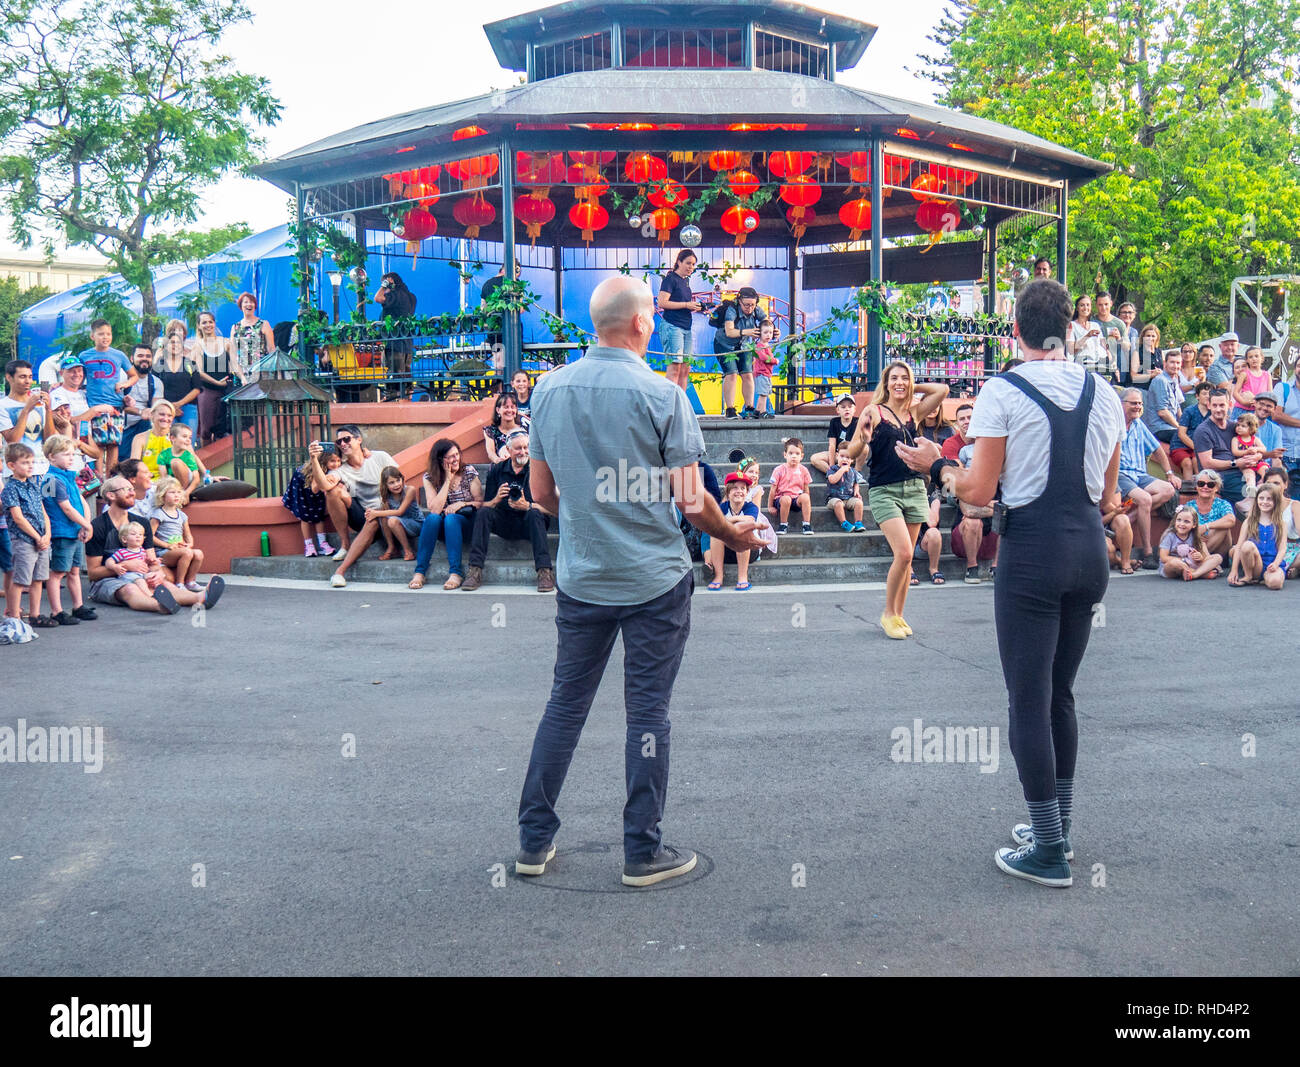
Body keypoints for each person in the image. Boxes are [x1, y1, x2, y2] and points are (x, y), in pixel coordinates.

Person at [515, 274, 765, 887]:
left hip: (582, 575)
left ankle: (532, 841)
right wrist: (732, 536)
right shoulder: (663, 395)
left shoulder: (547, 390)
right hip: (654, 577)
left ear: (595, 322)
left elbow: (541, 494)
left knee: (564, 707)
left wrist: (590, 512)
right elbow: (691, 500)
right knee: (647, 713)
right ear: (642, 323)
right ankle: (640, 851)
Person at [898, 278, 1125, 888]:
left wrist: (938, 465)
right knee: (1061, 696)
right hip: (1089, 552)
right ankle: (1059, 829)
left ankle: (1047, 851)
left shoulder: (1003, 390)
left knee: (1028, 698)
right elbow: (1109, 497)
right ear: (1071, 328)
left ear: (1016, 330)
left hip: (1032, 553)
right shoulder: (1104, 391)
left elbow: (977, 491)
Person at [844, 361, 948, 639]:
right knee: (902, 553)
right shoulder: (874, 411)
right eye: (894, 378)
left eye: (904, 379)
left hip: (915, 488)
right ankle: (888, 614)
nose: (899, 383)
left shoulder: (915, 411)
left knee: (908, 557)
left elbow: (942, 389)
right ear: (886, 383)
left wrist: (915, 384)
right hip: (884, 490)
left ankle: (899, 615)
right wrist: (864, 439)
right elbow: (851, 451)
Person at [85, 476, 224, 613]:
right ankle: (159, 606)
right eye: (126, 489)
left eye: (132, 489)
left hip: (140, 575)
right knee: (130, 589)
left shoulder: (142, 523)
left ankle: (200, 597)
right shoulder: (98, 526)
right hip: (109, 580)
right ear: (111, 495)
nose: (132, 492)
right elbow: (93, 573)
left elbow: (152, 560)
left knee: (163, 584)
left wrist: (157, 573)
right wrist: (125, 566)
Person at [461, 432, 554, 592]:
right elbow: (486, 504)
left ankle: (544, 571)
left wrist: (528, 506)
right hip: (504, 521)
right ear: (509, 450)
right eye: (518, 448)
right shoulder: (497, 471)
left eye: (526, 447)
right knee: (483, 513)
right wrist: (496, 499)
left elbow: (553, 509)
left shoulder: (538, 470)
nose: (523, 452)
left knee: (534, 513)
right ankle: (475, 570)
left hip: (529, 523)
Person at [1117, 389, 1178, 568]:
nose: (1138, 407)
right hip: (1121, 474)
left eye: (1140, 403)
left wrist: (1169, 473)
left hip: (1140, 475)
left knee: (1168, 490)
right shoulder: (1113, 423)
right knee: (1144, 499)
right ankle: (1148, 552)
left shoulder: (1139, 425)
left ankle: (1129, 519)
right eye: (1133, 403)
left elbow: (1157, 449)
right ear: (1122, 404)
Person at [410, 440, 481, 590]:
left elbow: (480, 502)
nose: (456, 459)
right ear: (440, 460)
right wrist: (448, 480)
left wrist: (461, 504)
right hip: (444, 526)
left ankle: (456, 572)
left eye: (457, 454)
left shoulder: (468, 472)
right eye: (450, 457)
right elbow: (435, 509)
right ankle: (419, 572)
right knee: (432, 518)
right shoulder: (429, 477)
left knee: (451, 518)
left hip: (466, 523)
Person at [40, 434, 96, 624]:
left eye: (72, 454)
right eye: (65, 454)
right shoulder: (50, 479)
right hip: (62, 531)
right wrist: (85, 524)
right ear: (51, 456)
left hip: (75, 530)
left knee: (74, 570)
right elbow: (64, 507)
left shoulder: (69, 477)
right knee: (57, 572)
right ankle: (57, 611)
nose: (71, 458)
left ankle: (78, 606)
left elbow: (81, 502)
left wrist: (86, 523)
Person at [323, 425, 395, 572]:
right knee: (333, 492)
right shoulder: (340, 469)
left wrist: (384, 511)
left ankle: (340, 571)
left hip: (387, 514)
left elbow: (400, 482)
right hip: (362, 515)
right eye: (339, 442)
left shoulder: (379, 457)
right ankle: (344, 544)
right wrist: (313, 458)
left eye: (346, 439)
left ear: (359, 440)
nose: (342, 444)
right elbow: (325, 485)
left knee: (373, 522)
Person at [2, 443, 54, 627]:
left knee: (39, 578)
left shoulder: (33, 486)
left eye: (31, 462)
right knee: (21, 579)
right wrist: (37, 537)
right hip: (24, 539)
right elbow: (18, 518)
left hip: (41, 539)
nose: (30, 466)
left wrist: (46, 534)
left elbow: (43, 513)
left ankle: (35, 614)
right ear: (11, 465)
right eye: (24, 462)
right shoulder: (10, 489)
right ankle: (14, 617)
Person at [77, 319, 138, 474]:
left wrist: (124, 384)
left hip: (115, 405)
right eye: (101, 334)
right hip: (94, 406)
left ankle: (111, 479)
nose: (105, 337)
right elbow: (78, 376)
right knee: (97, 444)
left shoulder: (118, 355)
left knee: (113, 443)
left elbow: (134, 376)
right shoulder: (84, 355)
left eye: (108, 334)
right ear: (92, 336)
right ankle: (97, 481)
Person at [714, 286, 767, 419]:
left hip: (744, 345)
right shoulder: (732, 310)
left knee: (748, 375)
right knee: (731, 374)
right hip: (725, 345)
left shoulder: (756, 310)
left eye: (753, 305)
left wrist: (772, 331)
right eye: (746, 305)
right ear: (739, 301)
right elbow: (729, 331)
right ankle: (730, 409)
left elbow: (767, 323)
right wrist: (746, 332)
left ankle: (749, 407)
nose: (749, 308)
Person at [1195, 389, 1256, 503]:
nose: (1218, 409)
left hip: (1242, 470)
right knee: (1248, 492)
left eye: (1222, 405)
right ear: (1209, 406)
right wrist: (1236, 463)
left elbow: (1252, 444)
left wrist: (1254, 457)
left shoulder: (1235, 427)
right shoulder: (1203, 431)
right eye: (1215, 405)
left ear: (1230, 405)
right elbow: (1207, 463)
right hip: (1218, 476)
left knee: (1269, 483)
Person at [281, 446, 340, 557]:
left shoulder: (330, 470)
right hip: (302, 491)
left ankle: (322, 543)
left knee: (319, 516)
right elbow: (315, 488)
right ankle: (309, 545)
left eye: (338, 461)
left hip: (315, 494)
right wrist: (330, 481)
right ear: (324, 460)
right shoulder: (317, 469)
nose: (336, 464)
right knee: (305, 517)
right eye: (332, 461)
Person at [148, 476, 205, 591]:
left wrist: (189, 544)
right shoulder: (158, 514)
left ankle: (191, 581)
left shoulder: (182, 515)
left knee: (198, 553)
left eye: (179, 492)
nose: (176, 495)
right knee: (187, 553)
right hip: (163, 552)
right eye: (172, 492)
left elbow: (188, 535)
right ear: (163, 495)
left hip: (179, 549)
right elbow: (149, 536)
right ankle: (180, 583)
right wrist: (167, 545)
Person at [704, 473, 759, 590]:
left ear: (747, 492)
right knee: (716, 534)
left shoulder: (751, 507)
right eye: (735, 488)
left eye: (743, 488)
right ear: (728, 492)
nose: (739, 491)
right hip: (727, 551)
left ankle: (742, 578)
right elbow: (714, 523)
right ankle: (718, 577)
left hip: (749, 550)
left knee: (743, 529)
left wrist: (727, 520)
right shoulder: (723, 507)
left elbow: (750, 520)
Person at [656, 249, 700, 392]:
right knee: (674, 367)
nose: (691, 267)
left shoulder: (685, 282)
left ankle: (680, 404)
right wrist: (686, 305)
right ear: (679, 262)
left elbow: (681, 304)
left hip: (686, 327)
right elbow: (662, 303)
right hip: (672, 326)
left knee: (685, 369)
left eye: (693, 264)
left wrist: (694, 307)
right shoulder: (670, 279)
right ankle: (669, 405)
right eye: (688, 263)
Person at [1, 360, 55, 474]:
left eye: (30, 377)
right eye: (22, 377)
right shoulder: (3, 406)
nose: (28, 381)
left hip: (42, 469)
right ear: (9, 378)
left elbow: (49, 440)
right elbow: (12, 440)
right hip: (15, 472)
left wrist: (48, 409)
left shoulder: (40, 404)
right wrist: (26, 410)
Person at [1227, 484, 1286, 589]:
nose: (1264, 502)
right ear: (1256, 500)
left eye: (1269, 499)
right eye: (1261, 498)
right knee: (1247, 545)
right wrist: (1233, 570)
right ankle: (1249, 576)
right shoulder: (1249, 522)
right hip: (1255, 564)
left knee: (1275, 583)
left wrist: (1276, 564)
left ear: (1276, 501)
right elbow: (1239, 547)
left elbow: (1282, 549)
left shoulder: (1280, 523)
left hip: (1271, 564)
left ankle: (1265, 578)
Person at [190, 310, 235, 443]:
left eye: (210, 321)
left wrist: (240, 378)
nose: (208, 325)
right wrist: (216, 382)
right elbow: (199, 371)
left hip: (226, 389)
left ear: (214, 323)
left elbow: (233, 365)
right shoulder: (197, 346)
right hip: (207, 389)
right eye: (204, 322)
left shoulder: (226, 342)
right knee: (206, 430)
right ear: (199, 326)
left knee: (223, 427)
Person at [374, 272, 417, 401]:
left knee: (394, 375)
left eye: (385, 285)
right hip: (407, 342)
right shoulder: (411, 297)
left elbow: (378, 298)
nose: (384, 289)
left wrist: (385, 284)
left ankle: (394, 403)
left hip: (394, 343)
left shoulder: (396, 295)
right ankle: (407, 401)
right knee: (406, 374)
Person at [153, 320, 201, 434]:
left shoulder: (190, 363)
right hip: (165, 408)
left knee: (187, 442)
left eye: (178, 343)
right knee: (169, 443)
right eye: (172, 342)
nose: (175, 345)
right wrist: (169, 406)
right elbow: (155, 387)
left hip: (188, 408)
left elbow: (197, 388)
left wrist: (179, 404)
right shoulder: (160, 363)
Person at [119, 343, 165, 460]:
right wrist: (140, 412)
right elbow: (117, 405)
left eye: (148, 356)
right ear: (131, 358)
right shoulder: (122, 377)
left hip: (144, 425)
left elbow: (156, 407)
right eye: (140, 355)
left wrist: (150, 412)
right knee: (123, 461)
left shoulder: (156, 382)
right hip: (123, 426)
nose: (144, 359)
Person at [372, 466, 423, 561]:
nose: (396, 485)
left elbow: (400, 512)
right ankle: (392, 548)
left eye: (398, 480)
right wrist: (372, 513)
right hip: (400, 526)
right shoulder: (386, 496)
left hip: (416, 524)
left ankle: (408, 552)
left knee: (391, 520)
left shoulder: (409, 490)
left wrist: (375, 513)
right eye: (391, 483)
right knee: (384, 517)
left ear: (402, 479)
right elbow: (385, 514)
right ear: (385, 485)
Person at [1159, 504, 1222, 580]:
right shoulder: (1170, 536)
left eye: (1186, 521)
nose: (1182, 524)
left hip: (1192, 564)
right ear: (1175, 521)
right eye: (1179, 520)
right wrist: (1183, 561)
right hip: (1173, 567)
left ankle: (1194, 574)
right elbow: (1163, 557)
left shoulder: (1194, 536)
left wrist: (1199, 557)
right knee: (1174, 563)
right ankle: (1201, 574)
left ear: (1194, 525)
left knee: (1218, 557)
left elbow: (1203, 557)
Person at [1184, 468, 1236, 558]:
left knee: (1224, 527)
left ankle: (1208, 560)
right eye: (1201, 484)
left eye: (1210, 485)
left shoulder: (1222, 504)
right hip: (1196, 548)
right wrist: (1197, 533)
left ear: (1216, 488)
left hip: (1220, 550)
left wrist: (1206, 527)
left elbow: (1231, 520)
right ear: (1196, 486)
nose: (1205, 487)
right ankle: (1208, 560)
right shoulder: (1189, 506)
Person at [1142, 348, 1186, 450]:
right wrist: (1180, 428)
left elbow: (1177, 407)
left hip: (1171, 427)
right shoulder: (1161, 381)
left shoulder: (1173, 380)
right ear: (1165, 363)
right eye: (1172, 362)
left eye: (1178, 363)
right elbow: (1162, 412)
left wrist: (1185, 424)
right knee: (1190, 438)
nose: (1175, 366)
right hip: (1160, 429)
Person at [1066, 295, 1115, 383]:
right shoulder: (1071, 325)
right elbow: (1071, 349)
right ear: (1077, 308)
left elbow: (1104, 345)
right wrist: (1087, 336)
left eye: (1088, 305)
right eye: (1082, 305)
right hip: (1083, 365)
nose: (1085, 308)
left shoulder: (1095, 325)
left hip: (1101, 365)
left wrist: (1111, 360)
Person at [769, 438, 813, 534]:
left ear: (802, 456)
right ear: (785, 455)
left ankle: (806, 525)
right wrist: (770, 506)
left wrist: (807, 504)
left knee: (805, 496)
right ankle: (783, 525)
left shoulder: (804, 470)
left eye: (797, 454)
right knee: (786, 499)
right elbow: (773, 490)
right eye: (790, 453)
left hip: (796, 500)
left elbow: (806, 489)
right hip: (782, 500)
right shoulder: (779, 470)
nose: (794, 456)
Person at [229, 292, 275, 383]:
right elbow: (233, 354)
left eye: (251, 302)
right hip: (242, 373)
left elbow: (271, 350)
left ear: (255, 305)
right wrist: (242, 377)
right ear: (241, 306)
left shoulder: (264, 324)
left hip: (262, 372)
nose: (249, 304)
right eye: (245, 302)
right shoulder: (235, 327)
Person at [1172, 380, 1213, 479]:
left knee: (1197, 461)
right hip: (1182, 445)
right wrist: (1197, 447)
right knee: (1187, 463)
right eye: (1204, 393)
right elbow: (1182, 434)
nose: (1207, 396)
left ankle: (1201, 488)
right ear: (1197, 396)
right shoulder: (1189, 411)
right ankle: (1188, 491)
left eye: (1210, 394)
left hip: (1201, 446)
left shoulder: (1213, 413)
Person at [811, 394, 858, 473]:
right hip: (838, 455)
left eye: (850, 407)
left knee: (864, 448)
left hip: (852, 455)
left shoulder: (857, 422)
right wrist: (832, 466)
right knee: (814, 458)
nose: (847, 409)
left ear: (855, 409)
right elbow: (832, 445)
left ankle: (856, 475)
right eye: (843, 407)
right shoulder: (834, 422)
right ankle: (835, 474)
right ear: (837, 410)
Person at [130, 400, 177, 480]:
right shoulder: (140, 438)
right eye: (162, 414)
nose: (166, 418)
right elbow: (134, 465)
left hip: (172, 482)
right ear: (152, 415)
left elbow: (191, 461)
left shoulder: (177, 436)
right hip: (147, 481)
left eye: (169, 416)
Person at [1092, 292, 1130, 381]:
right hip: (1093, 366)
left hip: (1112, 368)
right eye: (1100, 305)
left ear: (1111, 304)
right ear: (1096, 305)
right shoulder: (1091, 321)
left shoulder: (1119, 323)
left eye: (1106, 304)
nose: (1103, 308)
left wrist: (1119, 338)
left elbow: (1127, 347)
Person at [825, 449, 866, 533]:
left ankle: (858, 523)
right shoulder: (832, 469)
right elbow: (832, 480)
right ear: (837, 456)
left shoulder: (853, 471)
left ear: (852, 460)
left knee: (859, 503)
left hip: (849, 498)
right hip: (833, 498)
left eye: (848, 457)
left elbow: (856, 483)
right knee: (838, 504)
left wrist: (856, 490)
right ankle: (844, 523)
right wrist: (842, 470)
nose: (844, 459)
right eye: (842, 456)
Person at [1232, 412, 1271, 496]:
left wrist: (1256, 449)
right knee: (1249, 475)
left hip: (1258, 462)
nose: (1239, 428)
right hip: (1246, 463)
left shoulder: (1255, 439)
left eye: (1243, 426)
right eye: (1238, 425)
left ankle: (1263, 484)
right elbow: (1235, 452)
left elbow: (1264, 449)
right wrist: (1246, 452)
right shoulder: (1236, 439)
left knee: (1265, 470)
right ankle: (1251, 488)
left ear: (1251, 428)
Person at [483, 392, 526, 464]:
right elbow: (491, 453)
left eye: (512, 407)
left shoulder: (525, 430)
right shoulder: (490, 431)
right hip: (500, 469)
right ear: (498, 410)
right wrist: (498, 460)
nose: (509, 410)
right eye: (506, 407)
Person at [751, 319, 778, 418]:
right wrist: (775, 360)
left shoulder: (767, 345)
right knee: (763, 394)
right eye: (765, 332)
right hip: (762, 373)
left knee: (765, 393)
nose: (768, 335)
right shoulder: (760, 346)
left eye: (770, 332)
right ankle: (763, 412)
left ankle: (757, 411)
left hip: (766, 373)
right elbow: (763, 358)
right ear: (760, 334)